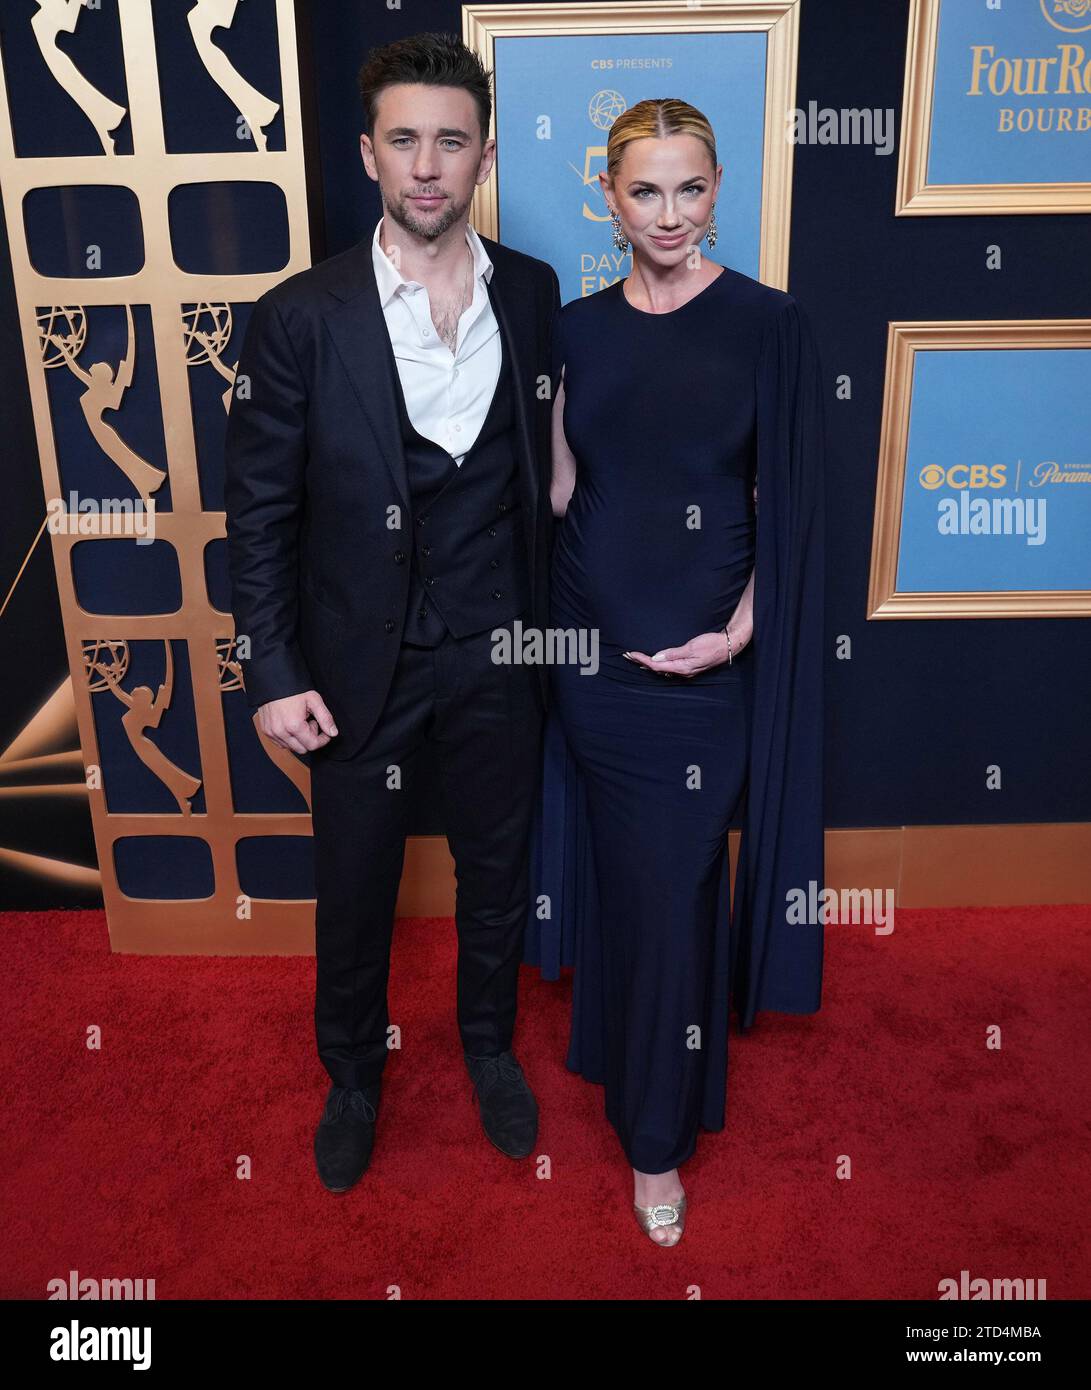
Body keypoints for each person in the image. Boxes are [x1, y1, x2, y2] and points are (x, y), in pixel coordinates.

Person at [224, 33, 560, 1193]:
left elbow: (545, 478)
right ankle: (354, 1075)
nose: (428, 165)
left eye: (450, 141)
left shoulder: (531, 289)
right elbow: (256, 515)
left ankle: (485, 1046)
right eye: (405, 140)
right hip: (356, 665)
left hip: (499, 654)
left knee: (495, 871)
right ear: (368, 154)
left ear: (482, 155)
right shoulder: (298, 315)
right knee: (357, 881)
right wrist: (272, 669)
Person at [543, 98, 826, 1245]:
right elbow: (562, 491)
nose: (668, 213)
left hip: (705, 675)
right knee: (632, 883)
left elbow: (790, 508)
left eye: (690, 188)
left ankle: (654, 1143)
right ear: (607, 198)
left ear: (719, 190)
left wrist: (739, 632)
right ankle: (636, 1060)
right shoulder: (571, 331)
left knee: (668, 887)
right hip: (591, 668)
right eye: (644, 190)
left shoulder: (770, 325)